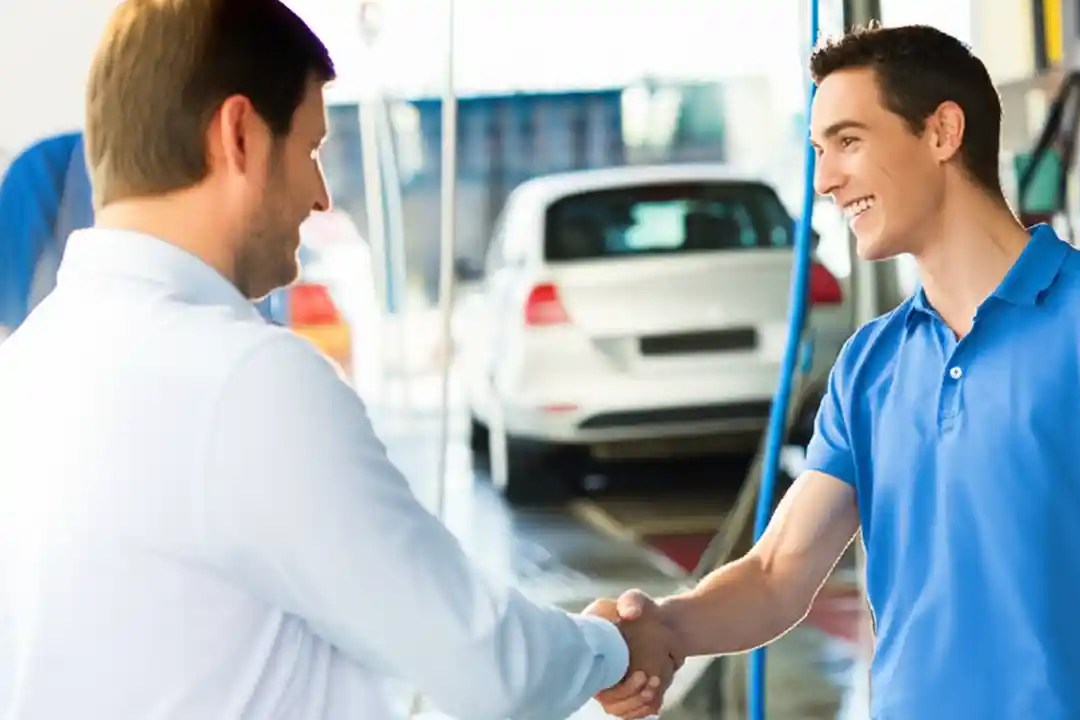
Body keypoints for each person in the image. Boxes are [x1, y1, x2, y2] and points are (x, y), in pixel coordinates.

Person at [0, 1, 678, 718]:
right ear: (239, 134)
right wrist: (612, 646)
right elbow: (486, 665)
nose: (320, 197)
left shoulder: (27, 372)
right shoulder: (245, 380)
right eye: (311, 149)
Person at [594, 23, 1080, 720]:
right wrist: (665, 627)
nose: (825, 180)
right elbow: (775, 574)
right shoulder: (870, 365)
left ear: (942, 132)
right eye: (819, 151)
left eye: (849, 141)